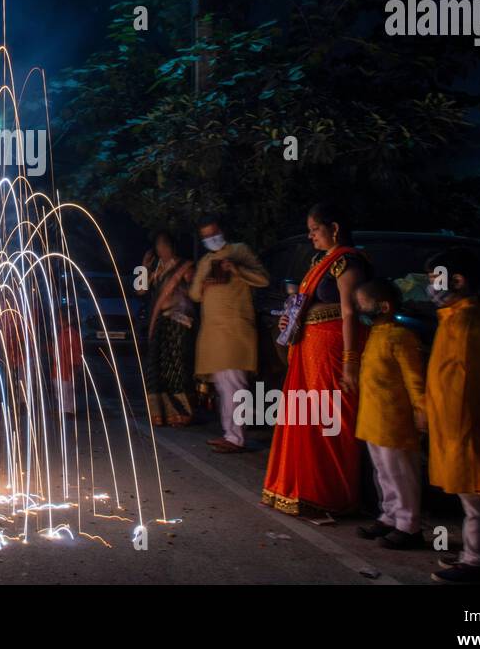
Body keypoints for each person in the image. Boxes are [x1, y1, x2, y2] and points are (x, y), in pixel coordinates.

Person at [262, 203, 368, 516]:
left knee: (329, 420)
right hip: (309, 350)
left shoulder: (347, 261)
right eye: (309, 231)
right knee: (306, 418)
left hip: (332, 351)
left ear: (334, 228)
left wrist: (350, 360)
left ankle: (331, 494)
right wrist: (288, 320)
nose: (311, 236)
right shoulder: (319, 260)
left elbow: (349, 312)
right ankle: (303, 489)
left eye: (315, 230)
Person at [423, 247, 480, 584]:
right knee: (470, 493)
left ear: (458, 281)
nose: (432, 287)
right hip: (454, 421)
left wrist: (450, 420)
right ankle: (474, 554)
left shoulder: (467, 320)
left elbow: (467, 380)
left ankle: (478, 561)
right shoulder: (455, 317)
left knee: (475, 492)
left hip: (466, 422)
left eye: (436, 280)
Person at [353, 278, 427, 549]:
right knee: (382, 472)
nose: (359, 308)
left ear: (383, 306)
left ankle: (409, 526)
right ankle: (389, 517)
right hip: (374, 418)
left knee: (400, 474)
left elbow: (414, 378)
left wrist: (421, 408)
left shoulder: (401, 336)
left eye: (363, 304)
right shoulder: (375, 334)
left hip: (394, 420)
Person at [187, 213, 269, 452]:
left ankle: (237, 437)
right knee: (224, 387)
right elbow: (193, 295)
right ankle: (229, 434)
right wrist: (203, 284)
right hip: (214, 333)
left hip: (236, 330)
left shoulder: (240, 251)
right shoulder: (205, 262)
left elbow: (263, 280)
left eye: (214, 234)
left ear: (222, 230)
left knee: (235, 385)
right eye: (206, 237)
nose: (211, 239)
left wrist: (237, 269)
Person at [140, 231, 196, 426]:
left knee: (175, 367)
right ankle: (159, 413)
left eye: (164, 246)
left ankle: (180, 413)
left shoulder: (185, 267)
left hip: (178, 322)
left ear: (171, 247)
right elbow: (139, 289)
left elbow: (194, 293)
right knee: (155, 367)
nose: (161, 250)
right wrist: (144, 266)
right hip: (159, 322)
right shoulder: (156, 269)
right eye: (158, 247)